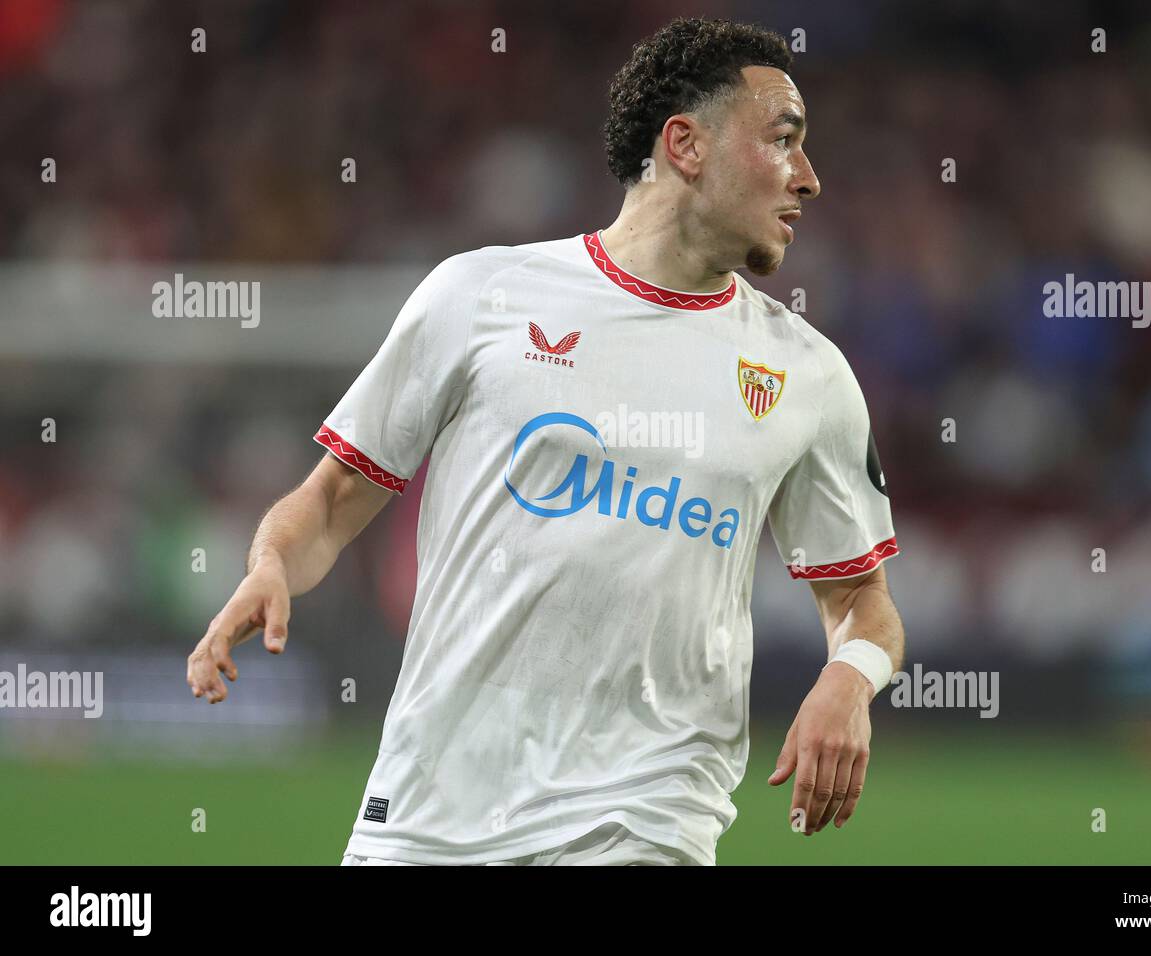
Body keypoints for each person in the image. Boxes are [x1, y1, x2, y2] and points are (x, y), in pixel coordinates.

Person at [186, 16, 904, 866]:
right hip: (429, 809)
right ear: (685, 144)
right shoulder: (479, 296)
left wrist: (848, 678)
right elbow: (332, 503)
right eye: (783, 141)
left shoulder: (809, 374)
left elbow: (864, 602)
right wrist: (270, 563)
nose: (810, 179)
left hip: (645, 815)